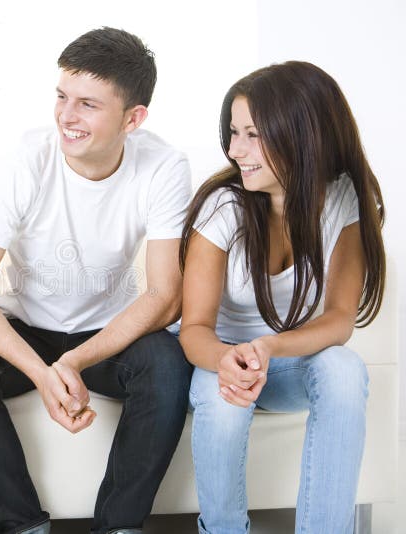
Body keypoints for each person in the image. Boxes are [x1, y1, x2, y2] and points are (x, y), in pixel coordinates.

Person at [0, 27, 193, 534]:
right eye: (61, 96)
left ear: (133, 119)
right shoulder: (24, 162)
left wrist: (74, 360)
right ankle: (18, 525)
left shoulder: (164, 167)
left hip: (107, 333)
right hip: (27, 327)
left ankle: (118, 525)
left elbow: (165, 297)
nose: (66, 117)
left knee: (165, 363)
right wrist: (42, 372)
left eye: (88, 105)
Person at [179, 61, 386, 534]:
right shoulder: (222, 207)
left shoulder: (344, 198)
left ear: (302, 135)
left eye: (253, 135)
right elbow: (194, 330)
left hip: (287, 360)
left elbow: (339, 319)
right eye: (234, 133)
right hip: (220, 359)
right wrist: (231, 359)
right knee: (224, 400)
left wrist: (270, 347)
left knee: (343, 368)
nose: (235, 150)